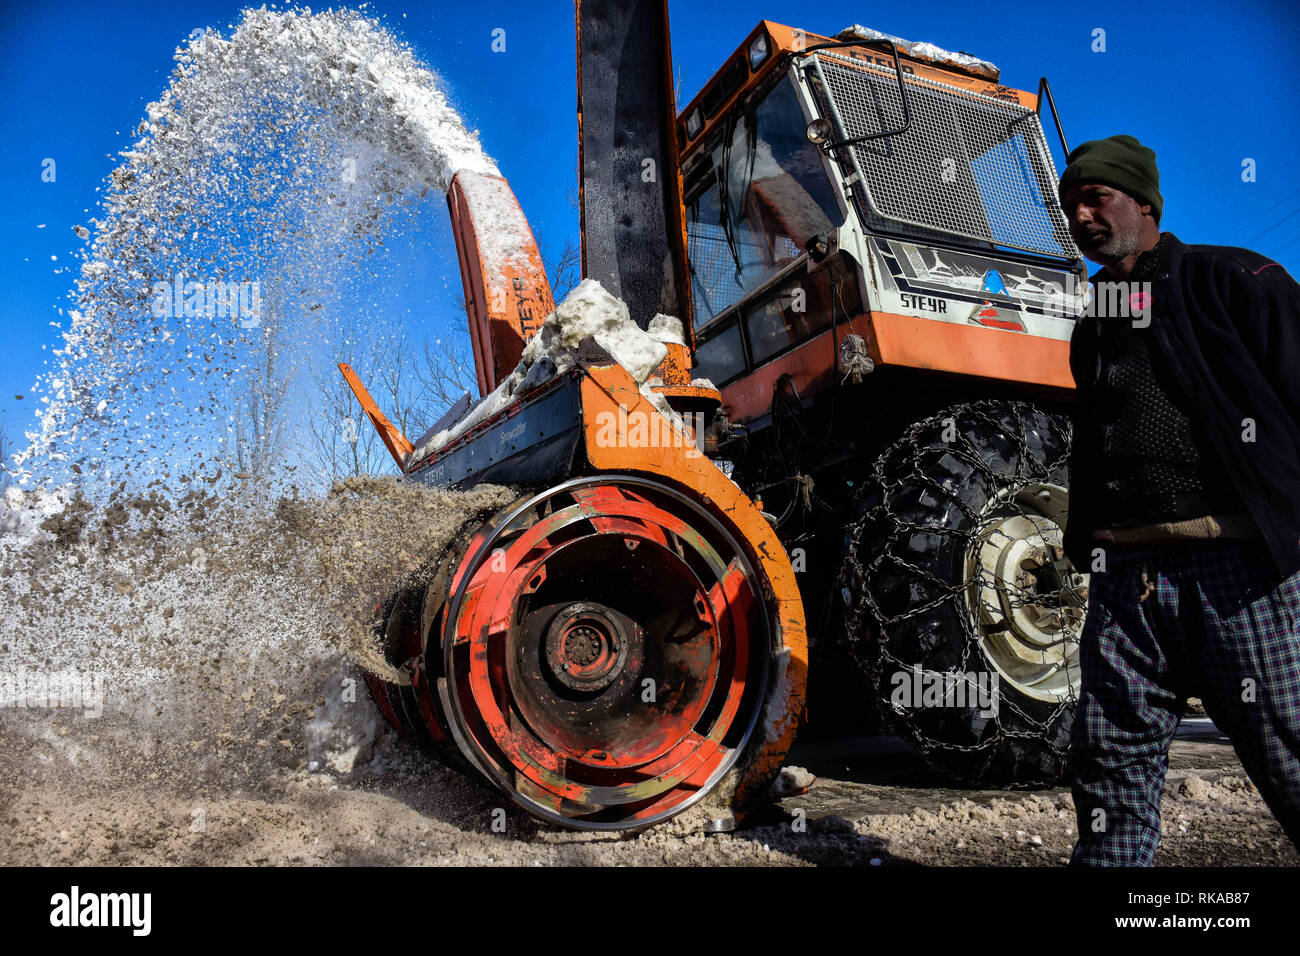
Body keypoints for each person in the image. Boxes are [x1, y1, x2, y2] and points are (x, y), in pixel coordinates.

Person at [1057, 133, 1300, 865]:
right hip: (1127, 583)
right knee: (1109, 776)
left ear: (1146, 203)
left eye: (1096, 197)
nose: (1081, 215)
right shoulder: (1093, 325)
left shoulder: (1240, 280)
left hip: (1238, 575)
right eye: (1071, 205)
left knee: (1292, 756)